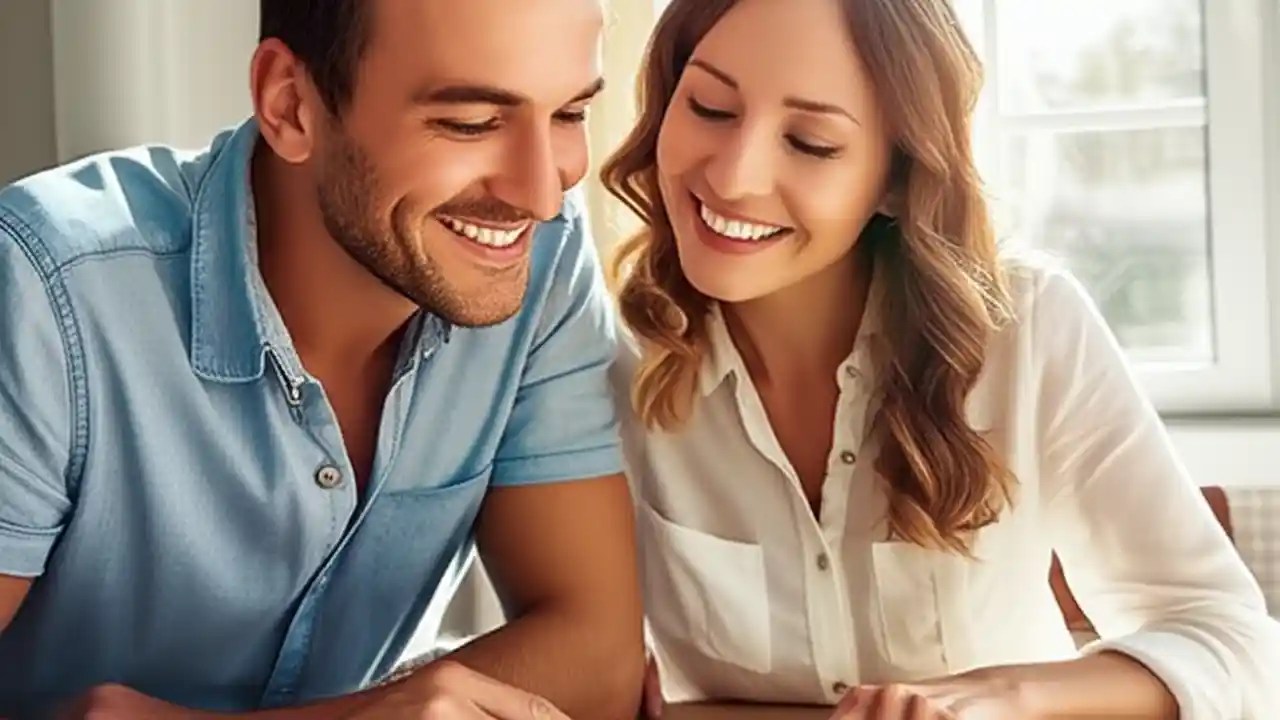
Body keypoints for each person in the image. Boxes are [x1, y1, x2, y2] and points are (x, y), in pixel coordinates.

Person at [604, 0, 1280, 718]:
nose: (735, 176)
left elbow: (1240, 649)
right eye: (709, 107)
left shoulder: (1024, 328)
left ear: (896, 177)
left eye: (811, 142)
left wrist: (998, 699)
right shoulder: (606, 358)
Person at [0, 0, 646, 717]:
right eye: (471, 123)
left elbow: (598, 653)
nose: (540, 194)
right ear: (291, 106)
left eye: (570, 116)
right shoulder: (42, 292)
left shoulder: (538, 265)